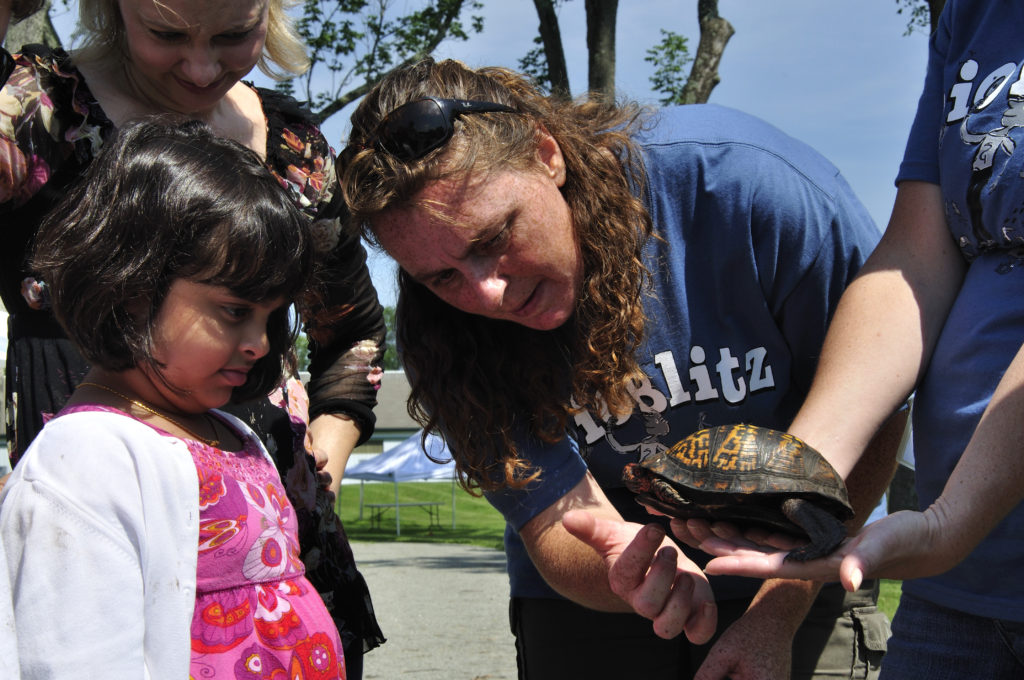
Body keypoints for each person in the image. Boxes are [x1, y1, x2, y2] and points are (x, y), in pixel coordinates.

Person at [338, 57, 901, 679]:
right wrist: (634, 573)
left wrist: (776, 612)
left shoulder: (743, 185)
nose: (487, 294)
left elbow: (876, 408)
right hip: (597, 597)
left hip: (809, 563)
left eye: (494, 237)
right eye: (443, 276)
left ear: (546, 154)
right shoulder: (444, 336)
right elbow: (552, 519)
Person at [631, 1, 1024, 677]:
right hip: (958, 583)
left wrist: (949, 524)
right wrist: (792, 474)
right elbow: (915, 259)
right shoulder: (972, 13)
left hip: (952, 533)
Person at [0, 0, 385, 671]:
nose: (202, 66)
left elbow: (353, 329)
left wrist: (320, 458)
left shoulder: (294, 144)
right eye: (168, 33)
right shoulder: (39, 112)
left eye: (235, 35)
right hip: (101, 491)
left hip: (268, 512)